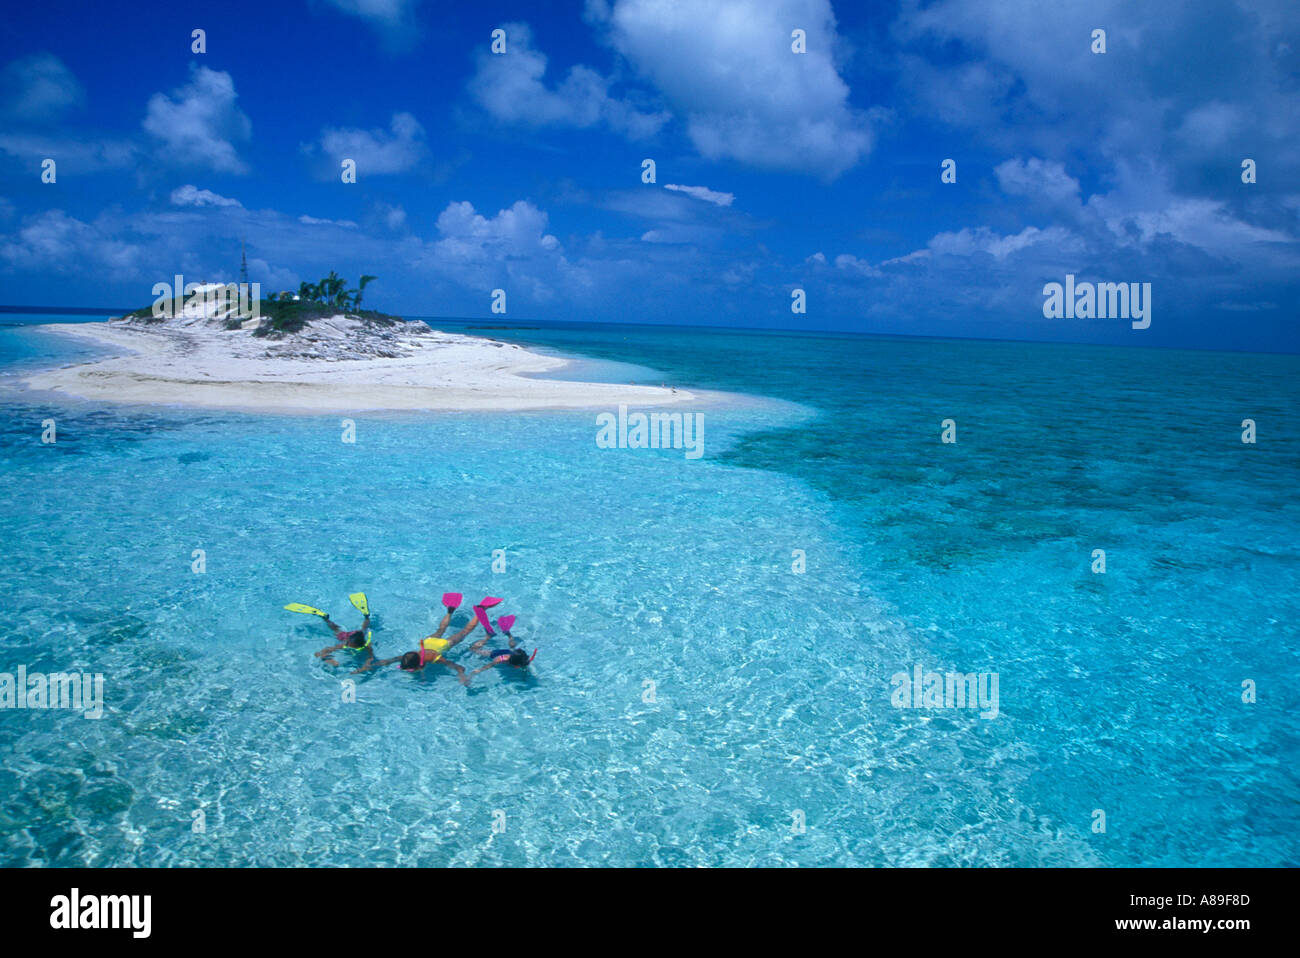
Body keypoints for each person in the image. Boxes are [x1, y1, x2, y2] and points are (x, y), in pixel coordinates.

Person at [358, 594, 498, 683]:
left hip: (442, 644)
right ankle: (450, 611)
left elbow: (456, 666)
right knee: (441, 629)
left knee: (465, 631)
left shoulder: (432, 658)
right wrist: (371, 666)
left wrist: (462, 676)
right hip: (427, 642)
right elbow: (388, 661)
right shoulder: (409, 656)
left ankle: (481, 609)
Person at [467, 614, 536, 680]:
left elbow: (526, 668)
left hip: (511, 653)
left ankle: (509, 635)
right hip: (496, 653)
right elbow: (488, 666)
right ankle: (487, 637)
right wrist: (474, 673)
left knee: (512, 648)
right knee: (472, 649)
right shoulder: (500, 659)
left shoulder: (524, 660)